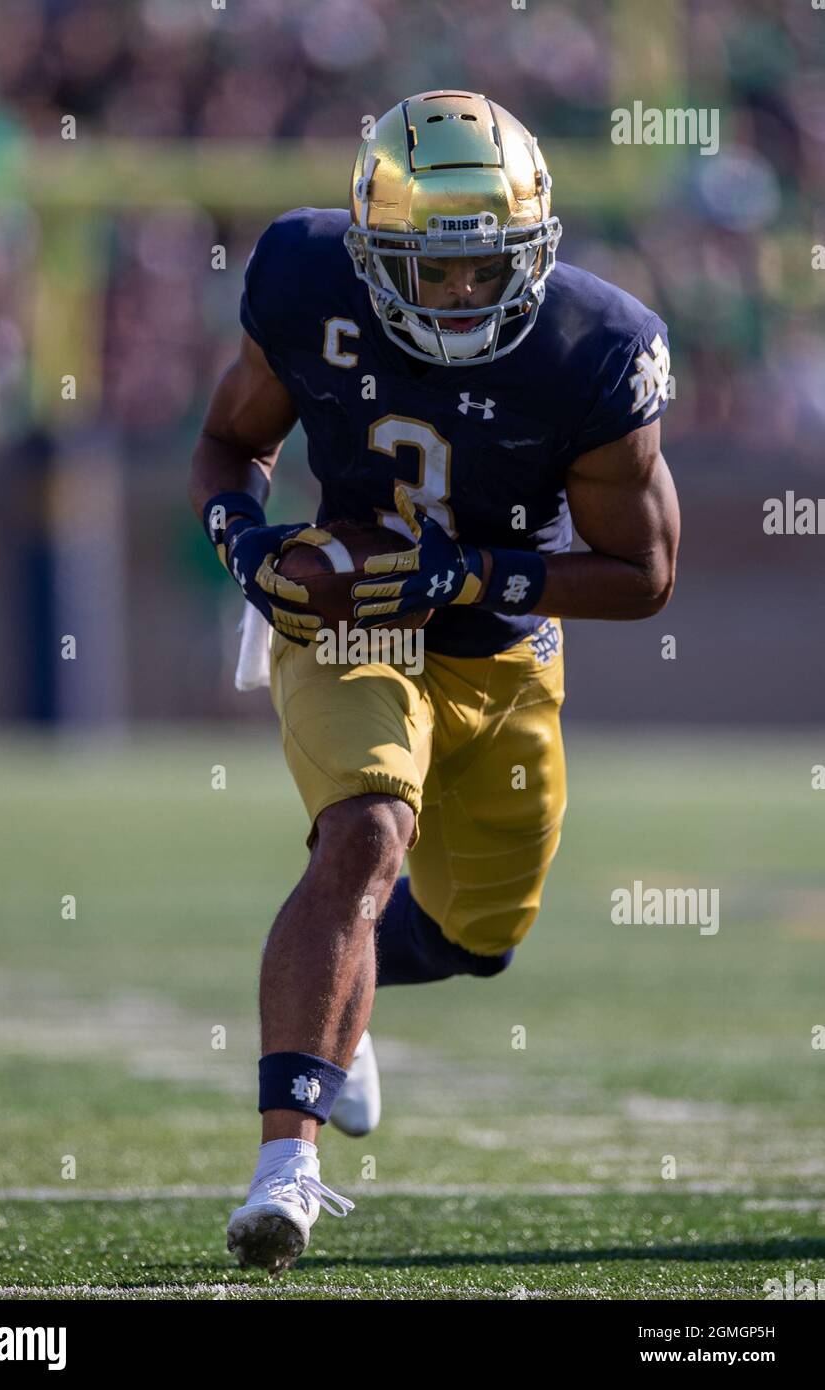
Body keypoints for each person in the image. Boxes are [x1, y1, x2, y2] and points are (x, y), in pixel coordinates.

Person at [188, 90, 679, 1274]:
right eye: (428, 269)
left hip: (500, 648)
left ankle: (355, 985)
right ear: (369, 254)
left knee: (479, 936)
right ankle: (284, 1168)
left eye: (484, 269)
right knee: (363, 830)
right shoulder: (306, 281)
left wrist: (464, 574)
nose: (459, 295)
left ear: (534, 251)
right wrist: (245, 544)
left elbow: (644, 573)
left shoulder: (594, 347)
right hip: (354, 619)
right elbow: (229, 443)